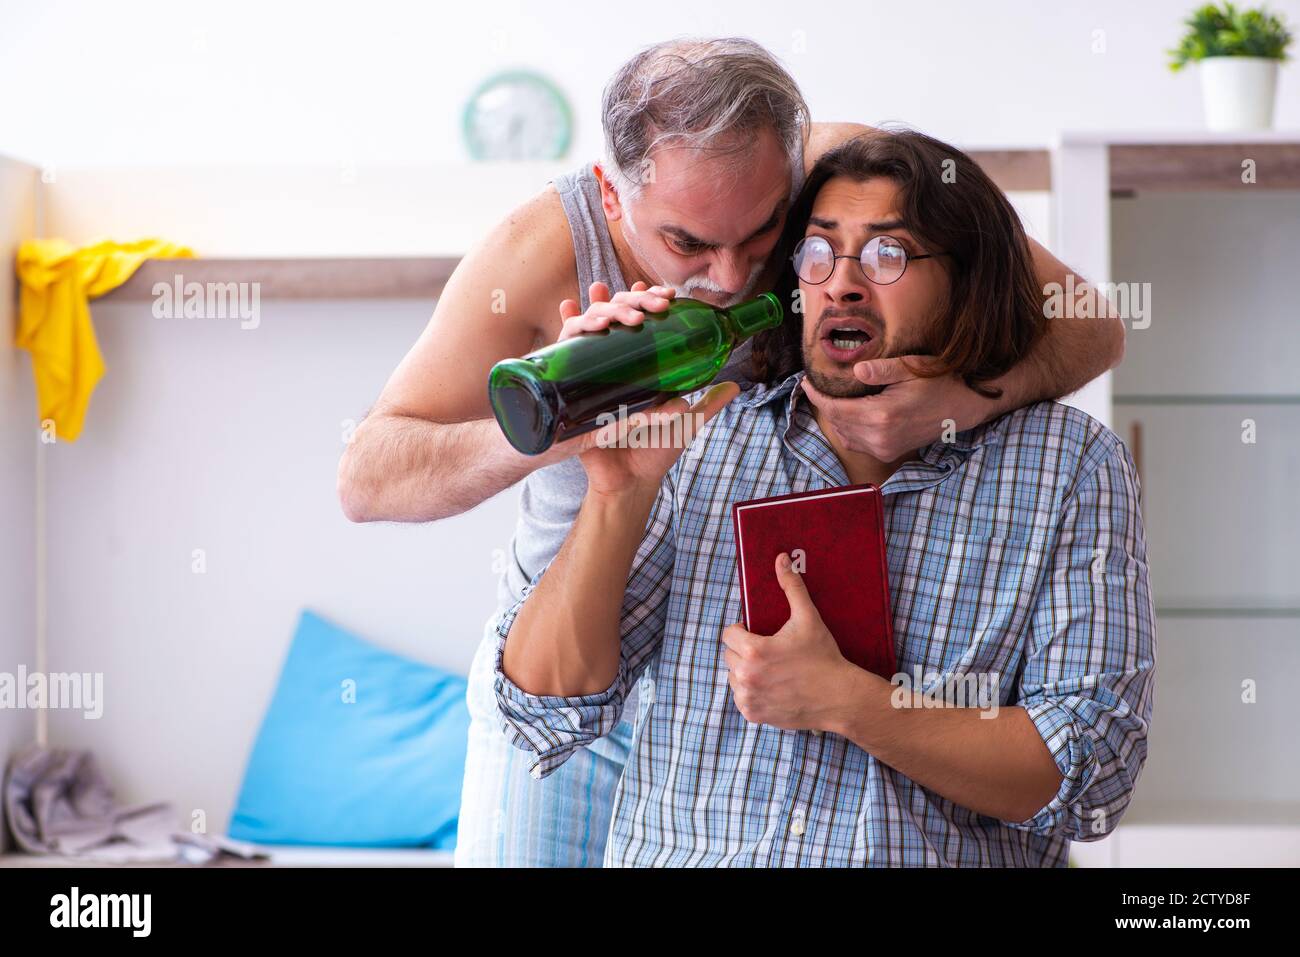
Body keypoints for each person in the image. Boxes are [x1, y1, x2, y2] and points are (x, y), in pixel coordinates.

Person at [337, 37, 1126, 868]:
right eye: (686, 245)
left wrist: (959, 399)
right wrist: (551, 432)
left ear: (792, 166)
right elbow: (366, 474)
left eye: (765, 237)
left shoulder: (845, 186)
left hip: (756, 679)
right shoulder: (541, 252)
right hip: (570, 660)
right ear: (613, 196)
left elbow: (1091, 323)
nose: (733, 278)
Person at [493, 129, 1155, 867]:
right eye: (819, 252)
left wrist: (851, 703)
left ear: (969, 278)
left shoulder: (1068, 465)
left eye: (886, 254)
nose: (841, 282)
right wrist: (617, 492)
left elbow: (1091, 769)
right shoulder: (709, 437)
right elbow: (544, 708)